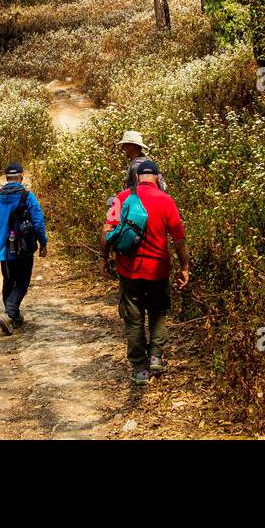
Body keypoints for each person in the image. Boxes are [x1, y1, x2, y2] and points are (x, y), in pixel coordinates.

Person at [102, 158, 189, 385]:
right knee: (158, 313)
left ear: (137, 177)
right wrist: (184, 268)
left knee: (134, 318)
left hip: (129, 271)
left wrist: (104, 257)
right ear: (157, 177)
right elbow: (179, 240)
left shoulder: (122, 197)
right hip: (158, 269)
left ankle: (140, 369)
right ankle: (156, 357)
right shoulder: (166, 200)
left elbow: (107, 231)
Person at [0, 161, 48, 335]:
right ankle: (10, 312)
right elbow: (38, 222)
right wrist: (43, 243)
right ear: (21, 176)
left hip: (4, 250)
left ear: (6, 178)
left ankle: (14, 317)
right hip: (23, 248)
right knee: (23, 282)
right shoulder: (27, 196)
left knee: (8, 281)